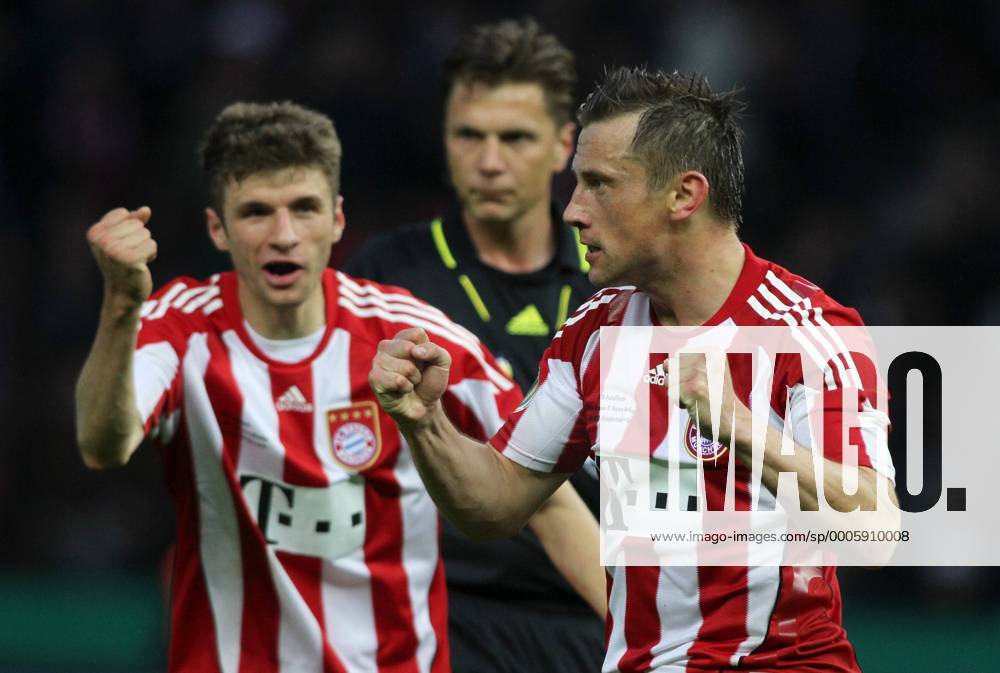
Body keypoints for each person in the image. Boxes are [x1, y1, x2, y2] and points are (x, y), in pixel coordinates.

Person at [370, 68, 899, 673]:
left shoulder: (804, 332)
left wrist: (744, 430)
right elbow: (494, 503)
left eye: (600, 184)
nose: (571, 211)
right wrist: (424, 422)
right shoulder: (596, 335)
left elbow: (875, 530)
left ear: (684, 195)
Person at [75, 100, 600, 672]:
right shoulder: (178, 325)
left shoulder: (412, 337)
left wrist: (646, 640)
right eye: (256, 213)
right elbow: (105, 442)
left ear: (338, 219)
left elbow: (548, 499)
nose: (283, 235)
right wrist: (123, 305)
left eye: (304, 209)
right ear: (217, 228)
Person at [343, 18, 604, 673]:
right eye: (469, 135)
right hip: (441, 617)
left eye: (514, 137)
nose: (489, 161)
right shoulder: (386, 275)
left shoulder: (621, 276)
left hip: (600, 615)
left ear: (562, 146)